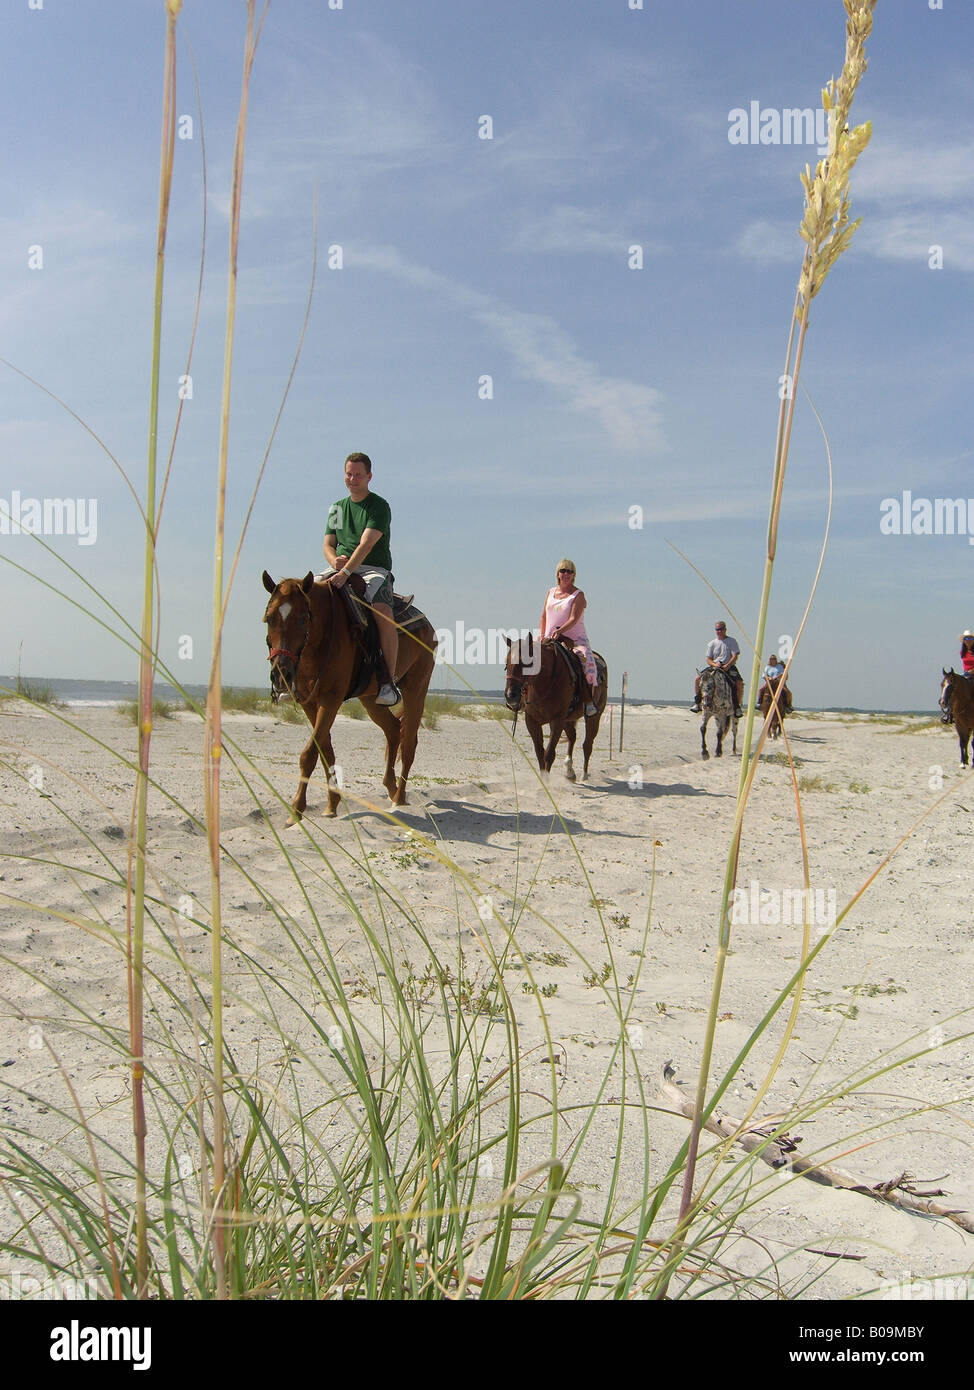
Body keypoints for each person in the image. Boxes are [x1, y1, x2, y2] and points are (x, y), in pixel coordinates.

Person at [319, 452, 400, 706]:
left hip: (373, 568)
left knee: (383, 611)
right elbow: (327, 543)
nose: (352, 479)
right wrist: (334, 563)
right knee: (304, 597)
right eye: (349, 474)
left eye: (358, 475)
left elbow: (366, 544)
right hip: (340, 566)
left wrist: (345, 573)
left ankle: (388, 681)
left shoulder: (379, 506)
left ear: (369, 477)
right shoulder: (336, 508)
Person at [539, 559, 599, 716]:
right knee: (528, 656)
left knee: (586, 659)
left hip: (573, 638)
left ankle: (588, 701)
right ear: (558, 574)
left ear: (574, 575)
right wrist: (542, 635)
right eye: (563, 571)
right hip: (549, 637)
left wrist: (560, 631)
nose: (566, 574)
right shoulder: (550, 592)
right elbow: (544, 616)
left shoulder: (578, 595)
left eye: (570, 571)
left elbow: (573, 618)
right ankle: (525, 698)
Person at [690, 621, 744, 717]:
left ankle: (737, 707)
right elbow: (708, 659)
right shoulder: (712, 643)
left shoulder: (732, 641)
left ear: (725, 629)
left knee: (739, 683)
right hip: (714, 666)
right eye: (717, 629)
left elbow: (735, 655)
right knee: (698, 679)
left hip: (728, 666)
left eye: (720, 629)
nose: (718, 631)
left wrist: (727, 665)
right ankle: (697, 702)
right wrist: (714, 664)